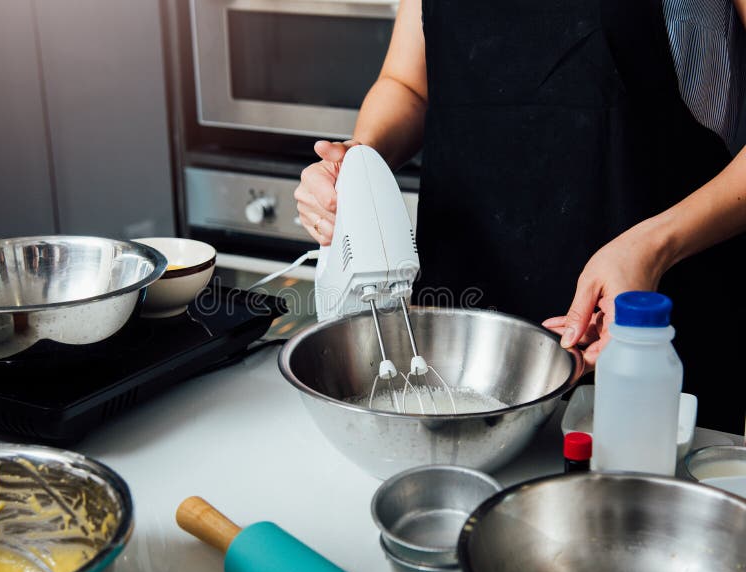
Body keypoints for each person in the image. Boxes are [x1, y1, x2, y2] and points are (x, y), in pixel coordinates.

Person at [294, 0, 746, 433]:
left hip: (646, 329)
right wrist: (355, 167)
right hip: (461, 347)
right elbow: (407, 85)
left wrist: (654, 246)